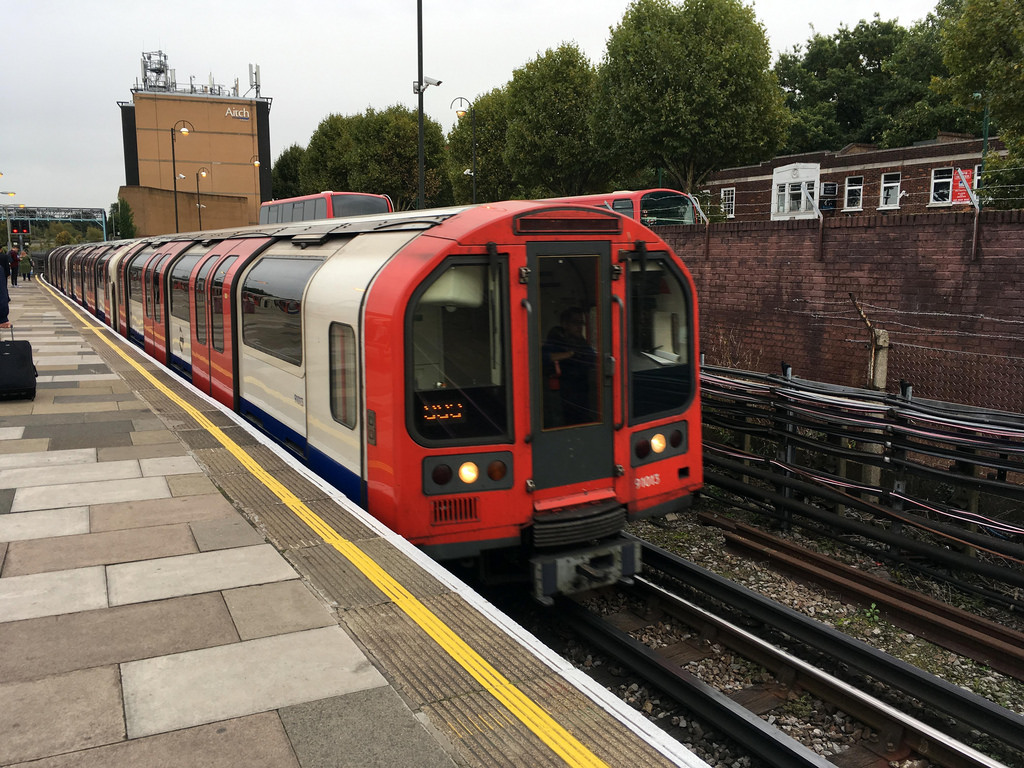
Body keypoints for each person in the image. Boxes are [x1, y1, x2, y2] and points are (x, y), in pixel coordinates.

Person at [542, 307, 597, 426]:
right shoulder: (555, 340)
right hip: (561, 394)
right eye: (575, 323)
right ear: (565, 324)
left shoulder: (581, 342)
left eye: (581, 323)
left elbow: (592, 358)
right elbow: (544, 357)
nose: (579, 327)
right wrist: (569, 354)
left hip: (582, 392)